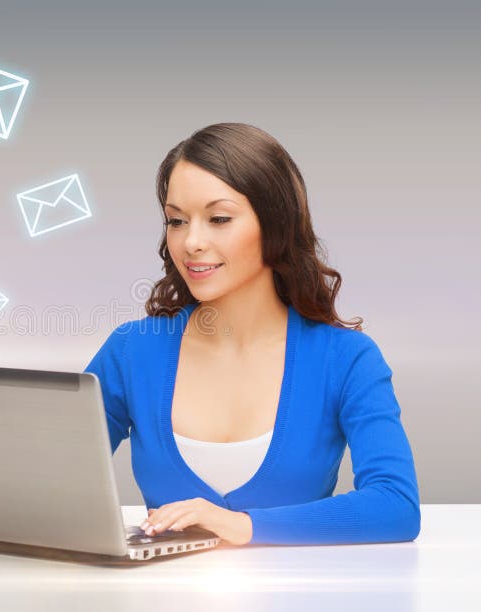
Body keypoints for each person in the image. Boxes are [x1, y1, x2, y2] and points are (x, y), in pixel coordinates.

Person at [83, 122, 420, 546]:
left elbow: (396, 506)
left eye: (219, 218)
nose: (191, 242)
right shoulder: (132, 351)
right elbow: (52, 481)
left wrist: (242, 526)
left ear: (275, 224)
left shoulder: (347, 358)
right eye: (176, 221)